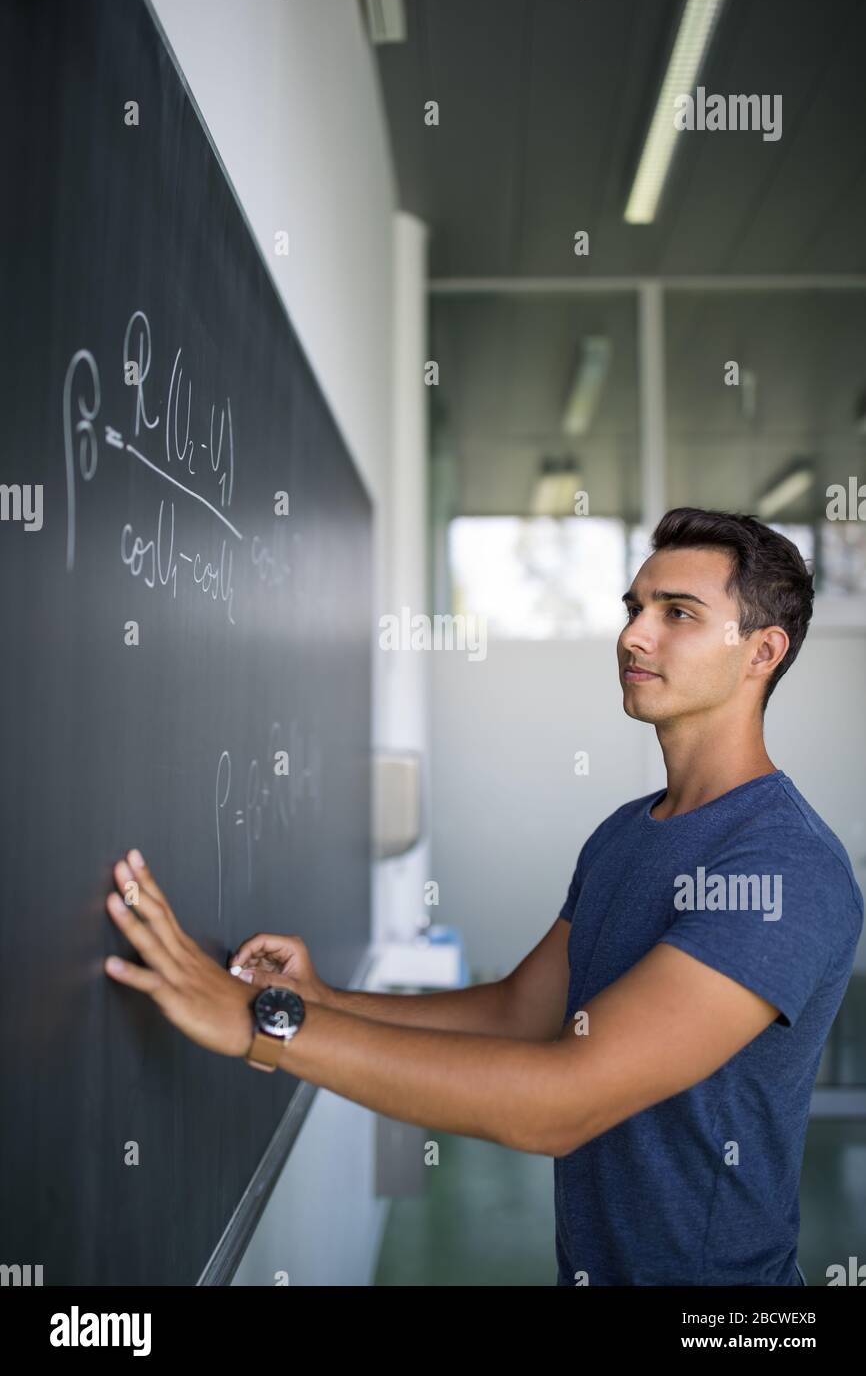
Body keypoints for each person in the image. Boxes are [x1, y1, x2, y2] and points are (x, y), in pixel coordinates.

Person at [104, 506, 863, 1286]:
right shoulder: (626, 833)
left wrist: (264, 1026)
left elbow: (564, 1102)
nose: (634, 635)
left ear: (762, 652)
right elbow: (519, 1012)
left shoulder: (784, 867)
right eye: (635, 608)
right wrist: (319, 999)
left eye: (678, 614)